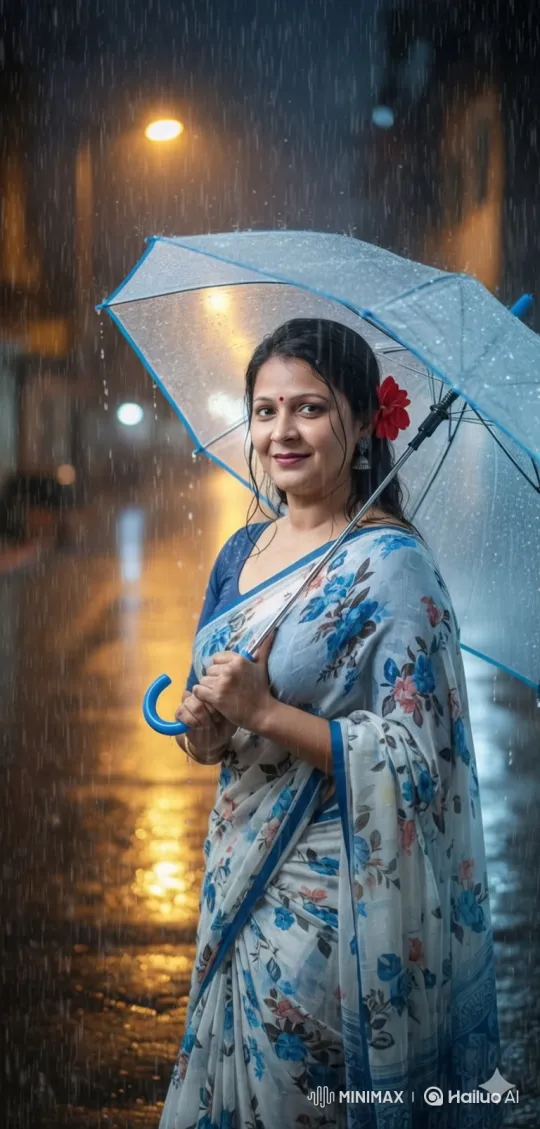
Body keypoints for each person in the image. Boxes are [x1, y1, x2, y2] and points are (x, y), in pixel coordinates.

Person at [159, 319, 502, 1129]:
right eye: (266, 409)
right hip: (238, 878)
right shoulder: (239, 553)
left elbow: (419, 763)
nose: (282, 431)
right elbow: (219, 738)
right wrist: (206, 729)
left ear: (361, 421)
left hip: (336, 906)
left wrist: (267, 712)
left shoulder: (394, 566)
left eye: (309, 408)